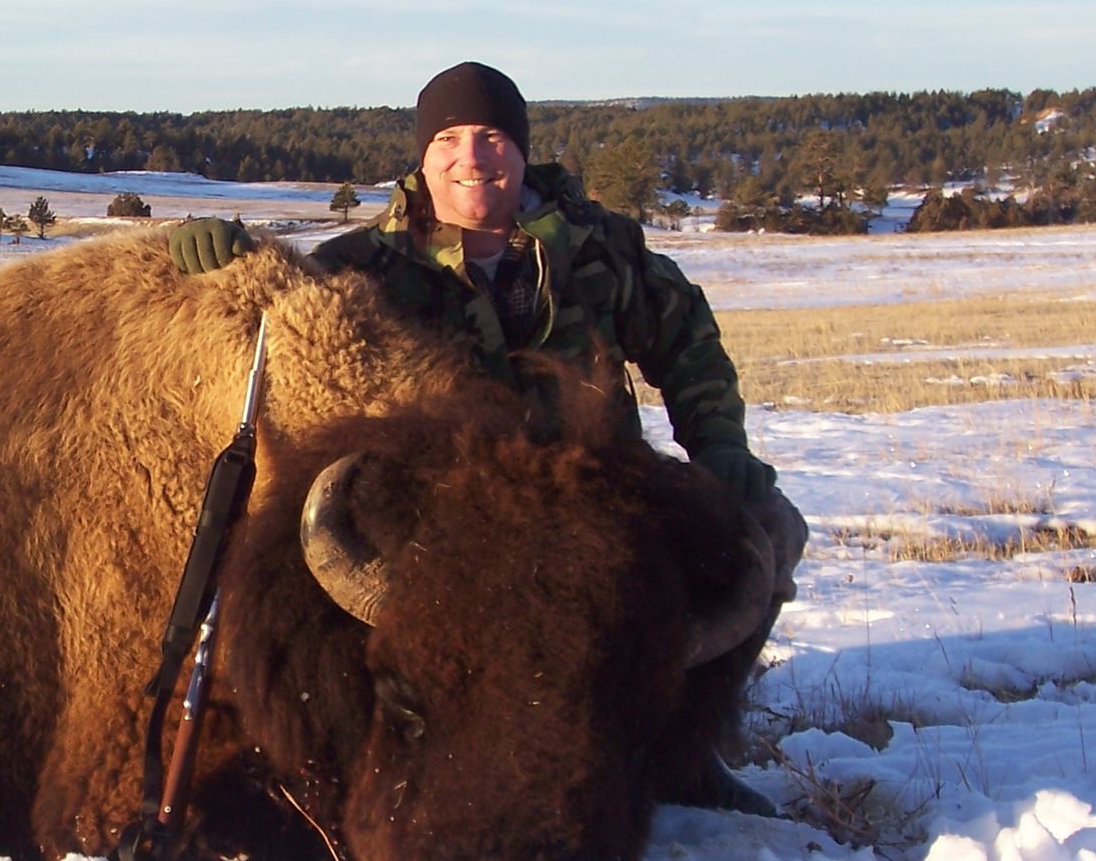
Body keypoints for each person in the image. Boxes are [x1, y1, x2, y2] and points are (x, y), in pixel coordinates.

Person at [168, 61, 805, 814]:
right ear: (423, 155)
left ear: (521, 149)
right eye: (449, 138)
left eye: (492, 136)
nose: (472, 157)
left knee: (768, 529)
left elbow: (687, 340)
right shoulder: (362, 266)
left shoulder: (601, 249)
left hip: (598, 516)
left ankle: (681, 753)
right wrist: (223, 251)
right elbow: (280, 310)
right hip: (448, 536)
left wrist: (720, 446)